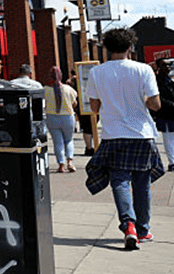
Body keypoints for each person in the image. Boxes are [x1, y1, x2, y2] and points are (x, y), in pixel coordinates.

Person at [85, 28, 163, 250]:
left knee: (119, 181)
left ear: (107, 48)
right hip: (142, 134)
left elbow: (94, 106)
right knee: (142, 183)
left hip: (113, 134)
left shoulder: (97, 72)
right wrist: (141, 101)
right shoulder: (144, 69)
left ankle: (128, 225)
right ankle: (143, 230)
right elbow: (155, 104)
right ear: (130, 47)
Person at [46, 66, 79, 173]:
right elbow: (74, 104)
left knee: (57, 142)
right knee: (69, 140)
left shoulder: (45, 90)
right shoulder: (69, 89)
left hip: (51, 117)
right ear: (61, 75)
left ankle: (61, 165)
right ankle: (70, 162)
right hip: (67, 117)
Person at [149, 58, 174, 172]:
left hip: (171, 114)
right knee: (168, 138)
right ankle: (172, 161)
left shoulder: (169, 80)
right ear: (158, 67)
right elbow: (159, 98)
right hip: (165, 114)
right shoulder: (156, 81)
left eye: (169, 65)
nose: (168, 68)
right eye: (165, 65)